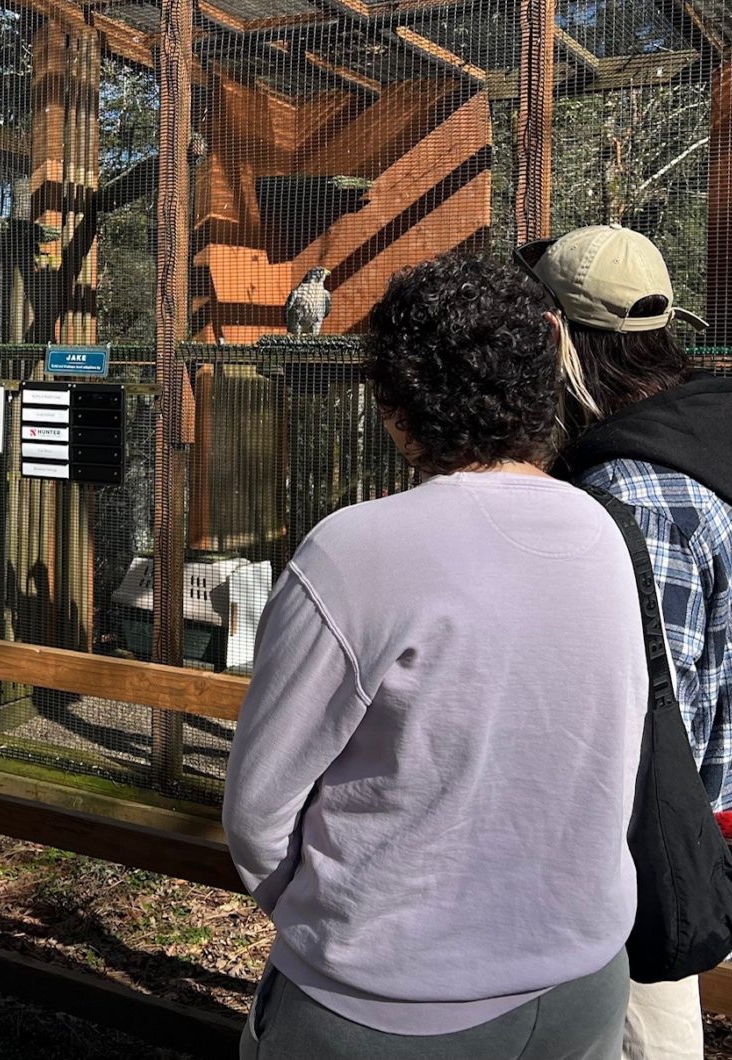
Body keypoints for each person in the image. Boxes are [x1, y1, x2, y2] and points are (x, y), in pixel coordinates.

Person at [223, 254, 651, 1060]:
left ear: (395, 403)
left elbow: (257, 814)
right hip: (581, 982)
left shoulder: (352, 552)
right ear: (546, 365)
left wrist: (333, 925)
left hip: (383, 1003)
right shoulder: (603, 533)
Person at [518, 224, 732, 1060]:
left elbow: (644, 719)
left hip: (644, 855)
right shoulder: (713, 443)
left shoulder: (636, 493)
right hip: (703, 828)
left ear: (559, 338)